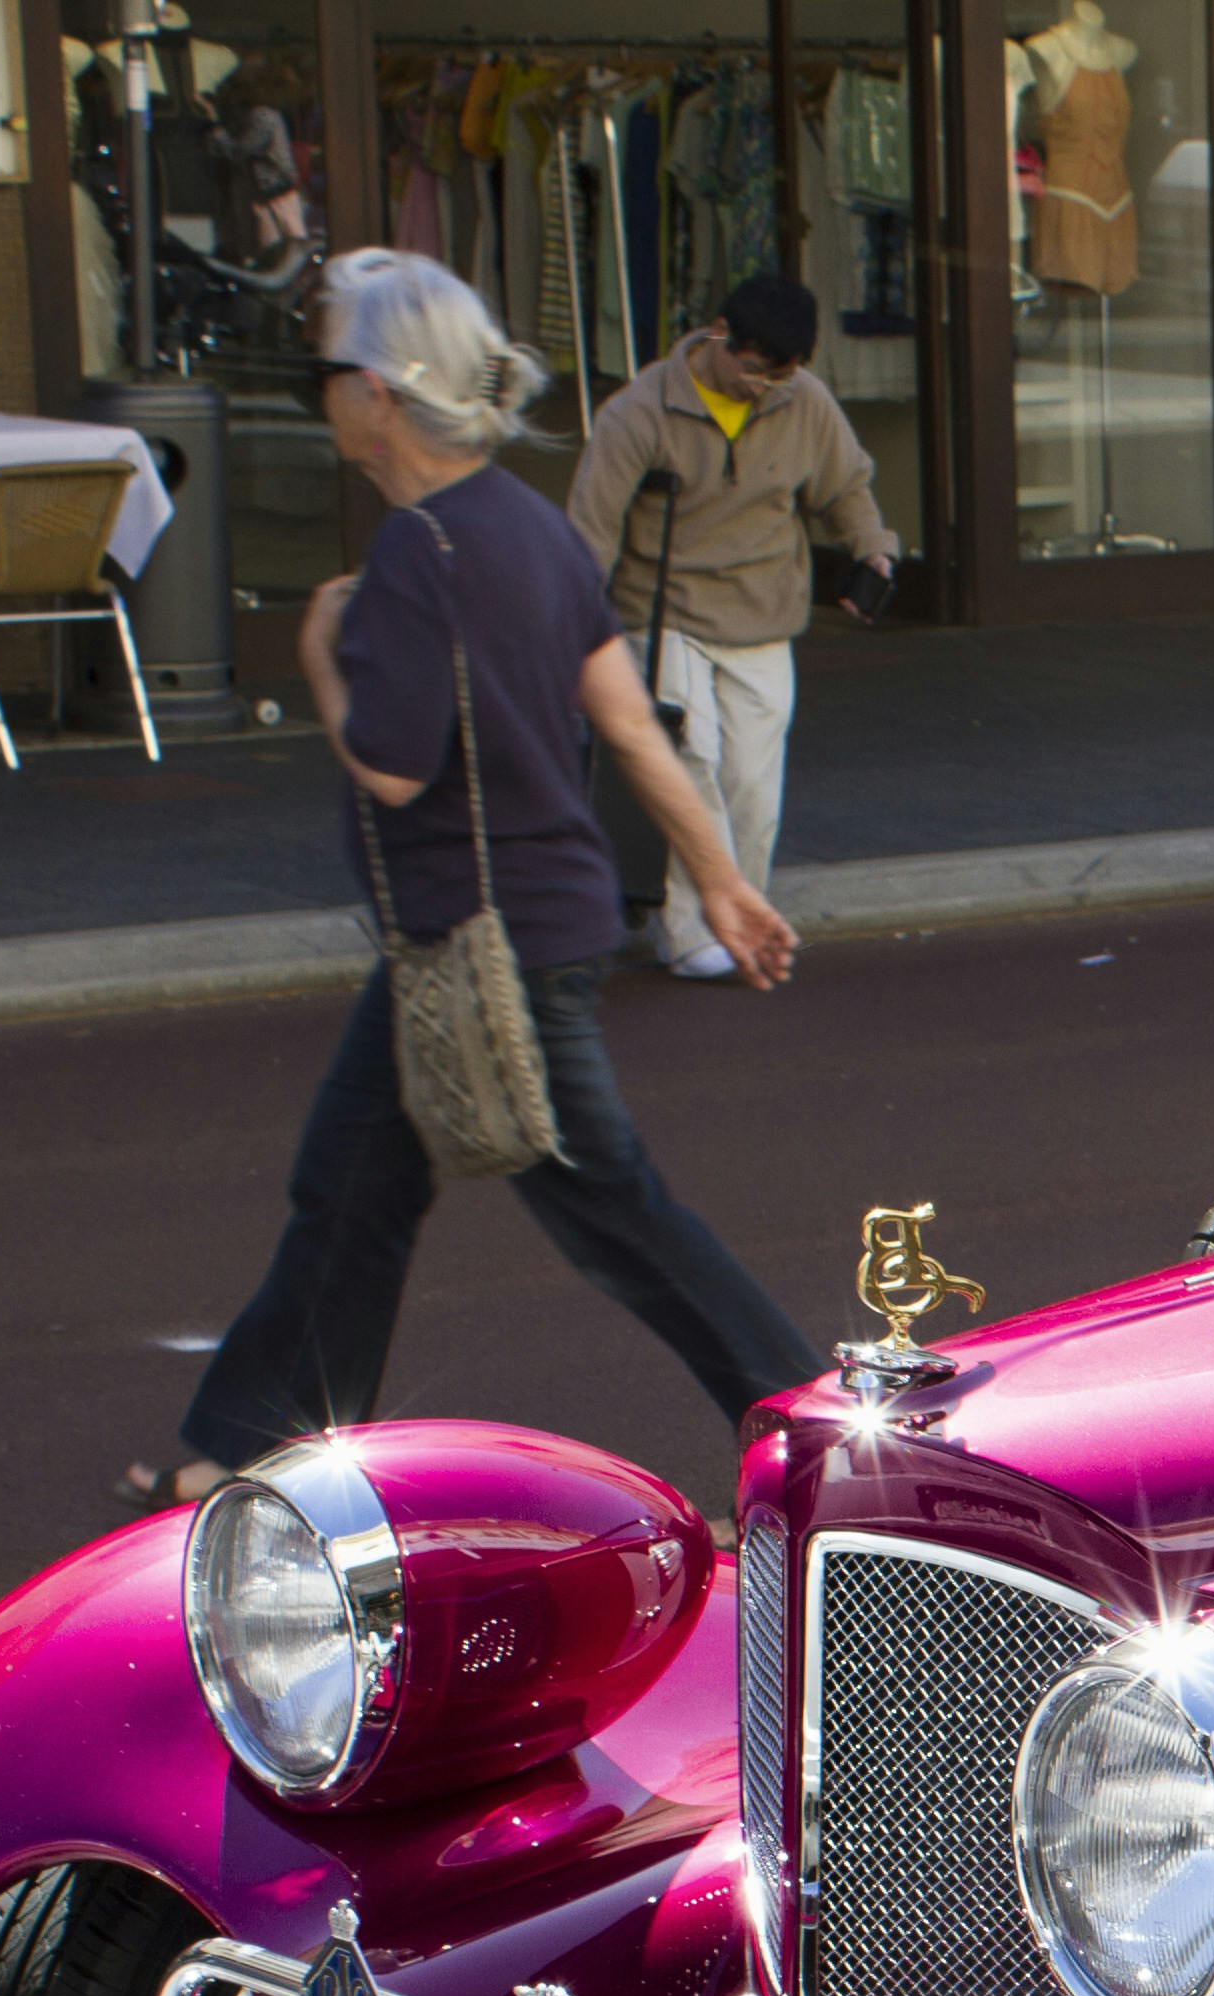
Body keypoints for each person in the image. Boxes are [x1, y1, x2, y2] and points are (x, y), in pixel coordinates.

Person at [125, 250, 817, 1509]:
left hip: (480, 949)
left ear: (382, 393)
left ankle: (815, 1435)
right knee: (350, 1190)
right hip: (490, 939)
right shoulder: (531, 526)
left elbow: (391, 772)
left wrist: (324, 657)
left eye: (332, 369)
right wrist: (717, 880)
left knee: (616, 1218)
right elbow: (625, 720)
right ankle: (257, 1447)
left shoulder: (415, 554)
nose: (322, 391)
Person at [564, 274, 897, 982]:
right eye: (755, 370)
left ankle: (740, 909)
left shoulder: (802, 402)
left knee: (752, 779)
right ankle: (689, 930)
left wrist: (872, 547)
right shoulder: (640, 412)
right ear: (719, 335)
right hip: (666, 609)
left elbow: (844, 486)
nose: (766, 387)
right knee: (695, 764)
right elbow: (590, 529)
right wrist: (569, 632)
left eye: (784, 374)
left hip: (764, 610)